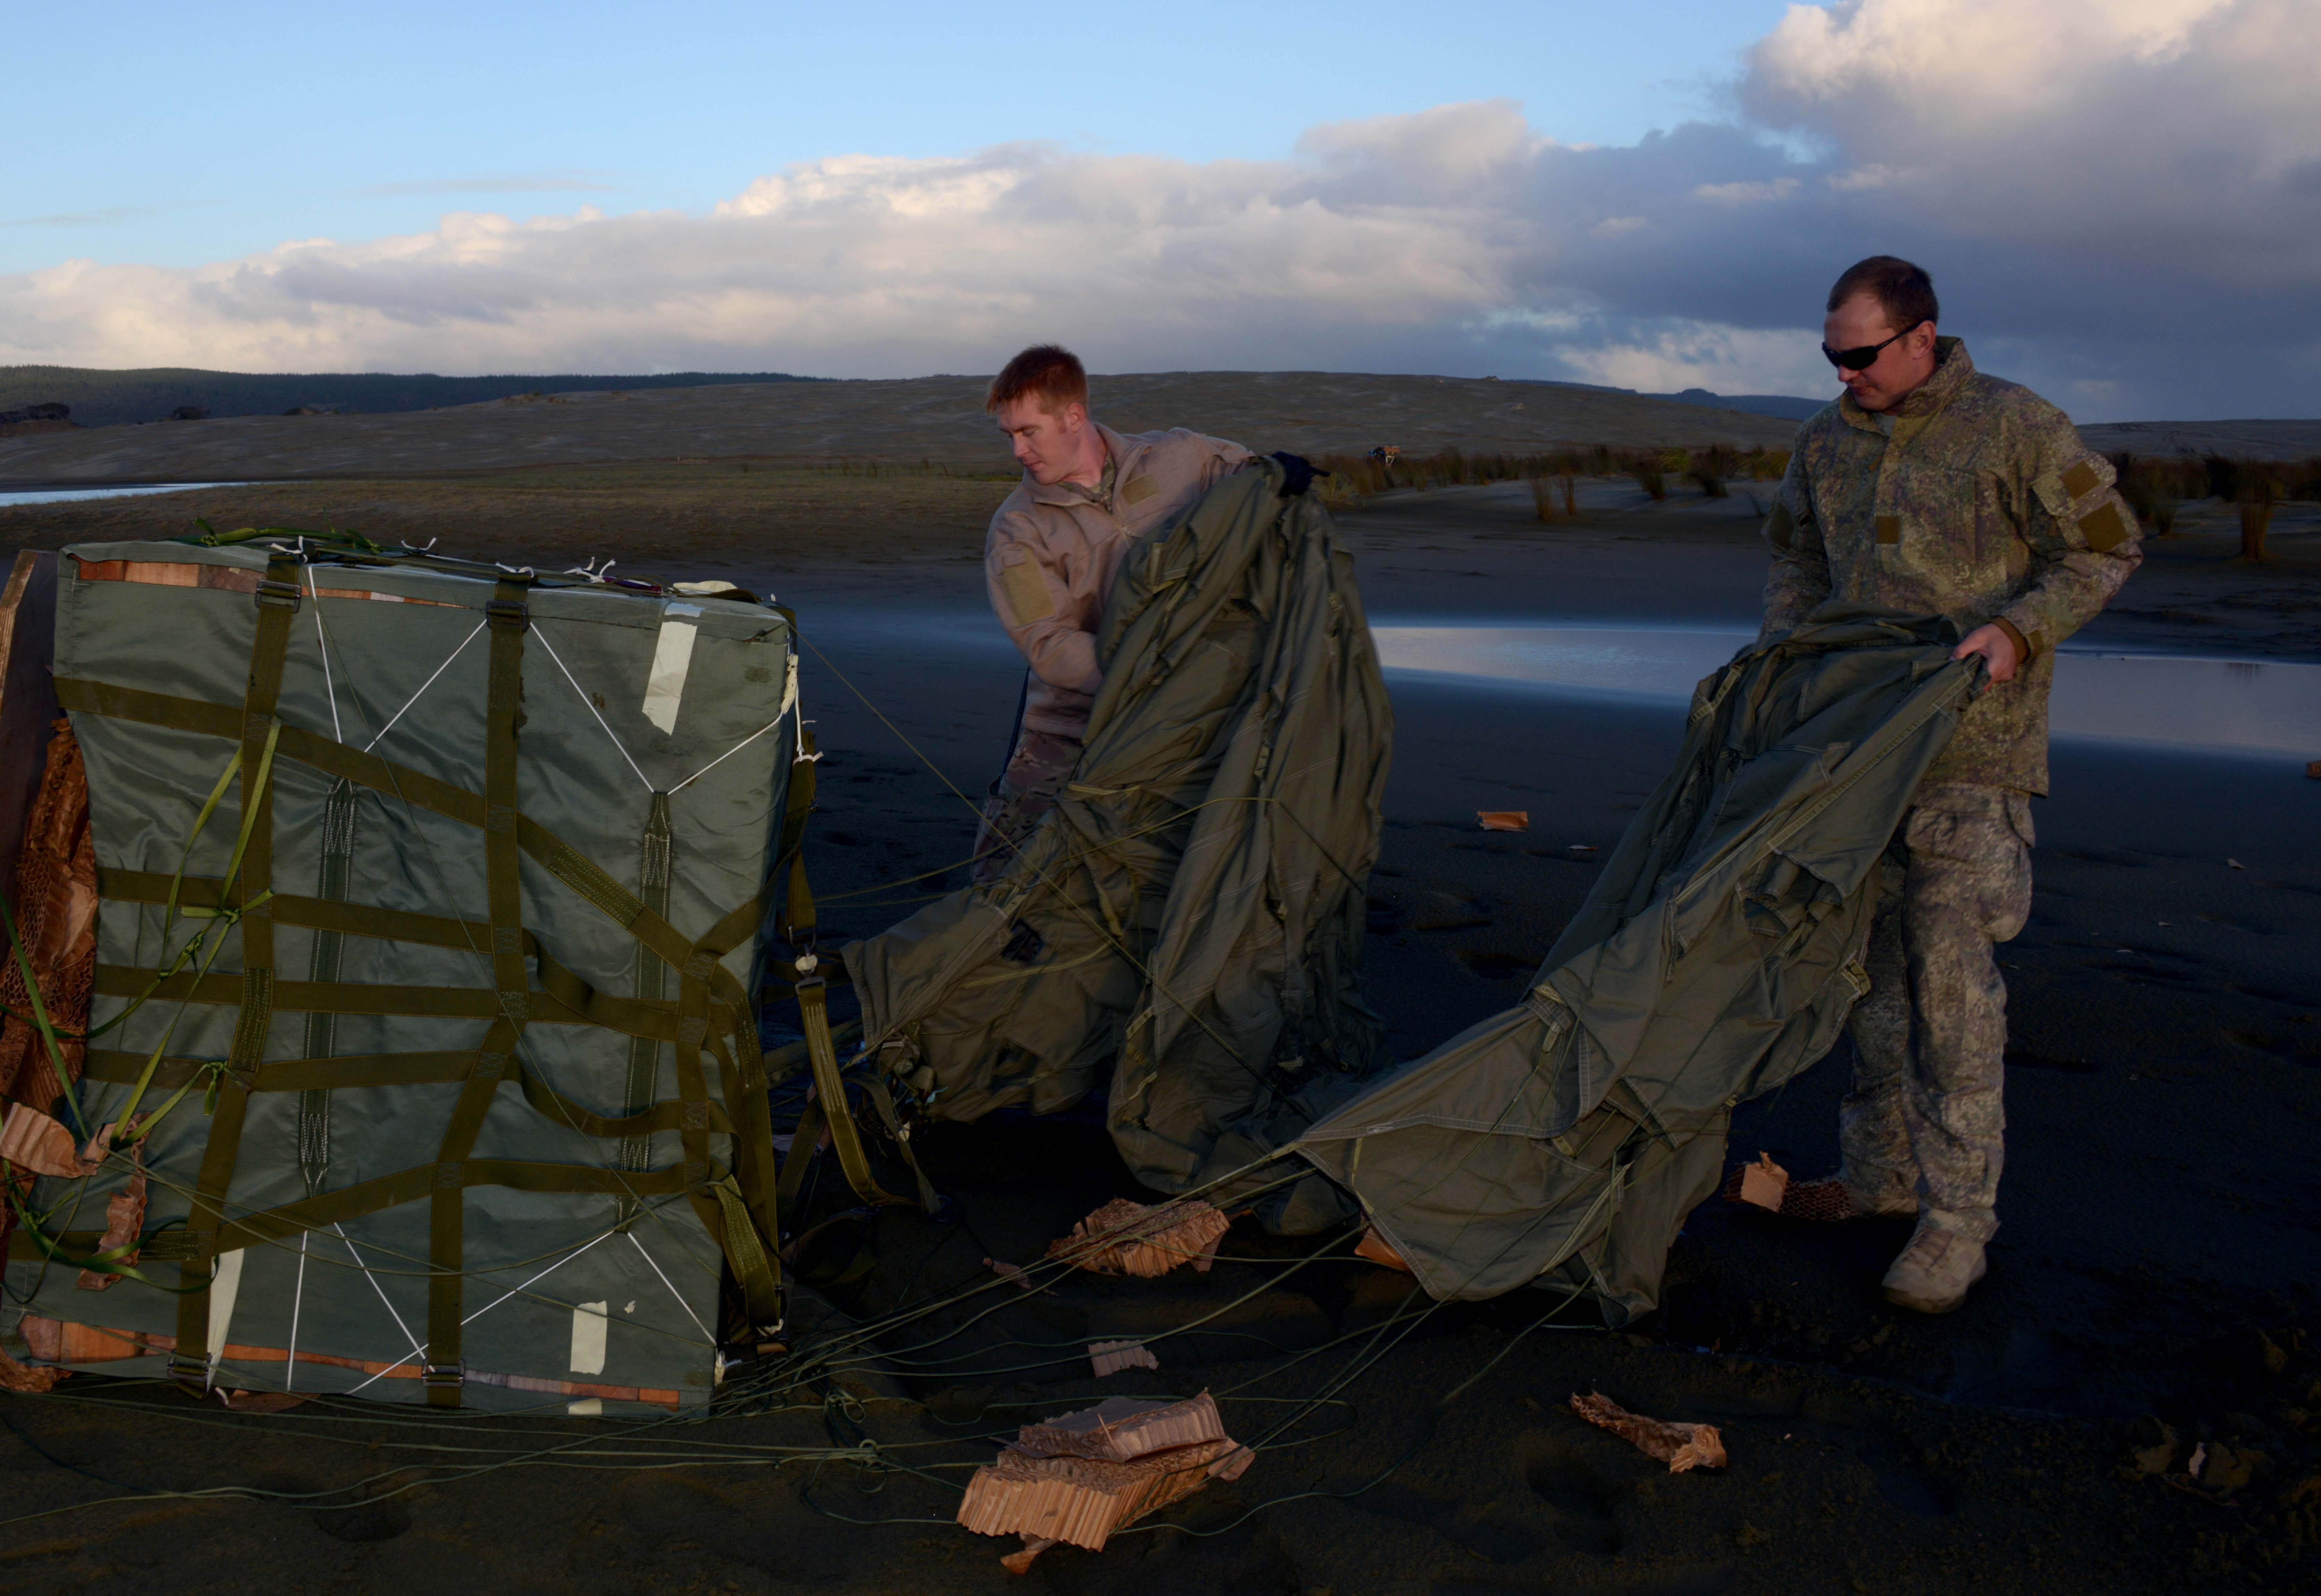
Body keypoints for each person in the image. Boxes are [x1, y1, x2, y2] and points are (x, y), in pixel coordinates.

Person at [1756, 256, 2142, 1314]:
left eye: (1862, 356)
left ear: (1924, 335)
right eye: (1830, 357)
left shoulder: (2017, 427)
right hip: (1854, 755)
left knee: (1949, 990)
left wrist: (2019, 630)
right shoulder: (1826, 443)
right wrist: (1782, 671)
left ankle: (1958, 1223)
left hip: (1973, 756)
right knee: (1867, 976)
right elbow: (1794, 563)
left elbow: (2106, 551)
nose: (1845, 376)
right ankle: (1877, 1181)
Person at [971, 345, 1252, 882]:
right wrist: (1145, 676)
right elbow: (1049, 645)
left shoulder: (1180, 459)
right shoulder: (1016, 531)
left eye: (1029, 432)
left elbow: (1252, 483)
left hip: (1198, 714)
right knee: (1001, 874)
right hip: (1072, 726)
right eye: (1008, 435)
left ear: (1074, 416)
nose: (1018, 451)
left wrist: (1278, 477)